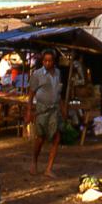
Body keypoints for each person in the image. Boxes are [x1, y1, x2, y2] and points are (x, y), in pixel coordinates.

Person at [26, 49, 64, 177]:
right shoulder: (37, 74)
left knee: (56, 137)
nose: (48, 63)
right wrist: (29, 111)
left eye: (50, 61)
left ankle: (49, 168)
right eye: (45, 61)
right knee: (40, 138)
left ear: (54, 62)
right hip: (42, 109)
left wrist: (63, 108)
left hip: (55, 109)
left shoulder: (58, 73)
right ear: (42, 61)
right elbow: (31, 94)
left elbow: (59, 92)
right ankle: (34, 162)